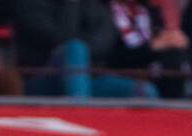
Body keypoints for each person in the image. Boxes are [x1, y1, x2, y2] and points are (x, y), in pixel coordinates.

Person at [14, 0, 158, 98]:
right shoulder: (31, 3)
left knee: (145, 91)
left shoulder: (95, 4)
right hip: (43, 76)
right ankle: (81, 114)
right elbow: (58, 40)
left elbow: (105, 42)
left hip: (91, 78)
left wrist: (82, 50)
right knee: (75, 48)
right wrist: (71, 3)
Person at [106, 0, 192, 99]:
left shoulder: (146, 10)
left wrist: (176, 40)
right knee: (147, 91)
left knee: (176, 61)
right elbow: (112, 57)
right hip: (115, 74)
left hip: (150, 70)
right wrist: (153, 47)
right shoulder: (106, 10)